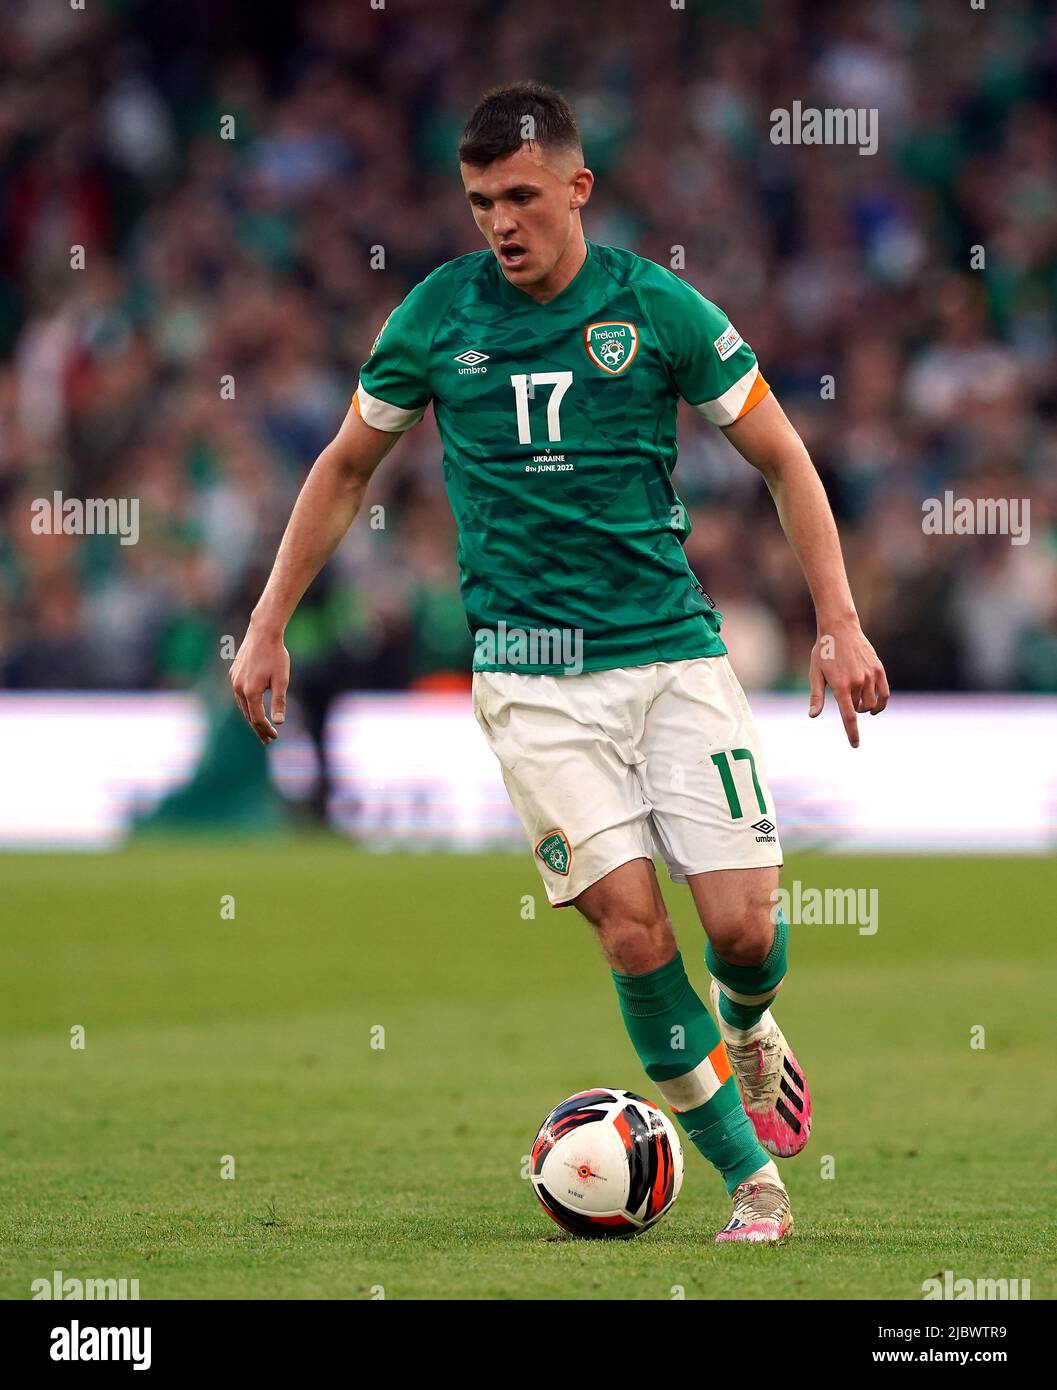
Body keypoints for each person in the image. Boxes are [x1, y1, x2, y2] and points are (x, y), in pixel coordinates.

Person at [229, 81, 889, 1243]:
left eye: (522, 196)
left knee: (738, 930)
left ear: (578, 188)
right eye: (481, 200)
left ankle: (747, 1019)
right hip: (529, 678)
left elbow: (785, 457)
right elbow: (343, 468)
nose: (500, 221)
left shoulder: (659, 309)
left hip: (672, 656)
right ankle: (755, 1185)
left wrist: (836, 618)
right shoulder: (435, 318)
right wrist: (271, 619)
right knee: (635, 930)